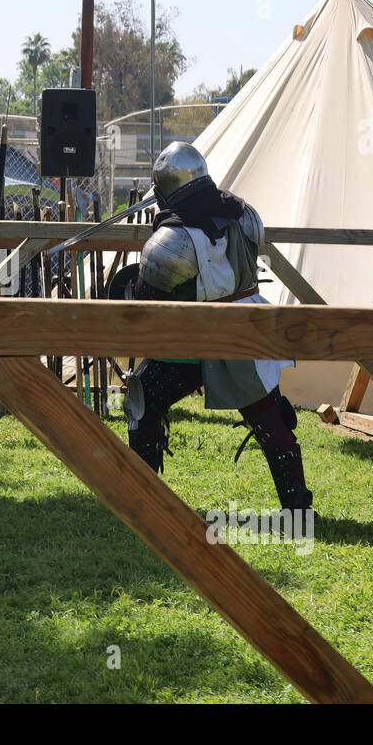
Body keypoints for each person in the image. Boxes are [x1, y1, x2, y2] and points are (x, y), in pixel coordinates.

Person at [123, 142, 313, 514]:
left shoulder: (171, 239)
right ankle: (297, 509)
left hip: (192, 340)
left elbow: (147, 299)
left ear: (164, 189)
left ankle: (143, 504)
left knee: (142, 399)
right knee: (270, 420)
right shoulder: (244, 213)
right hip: (245, 331)